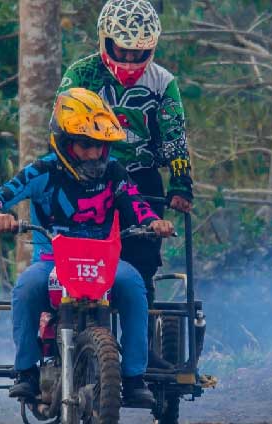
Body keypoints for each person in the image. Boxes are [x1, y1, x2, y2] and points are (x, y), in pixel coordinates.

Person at [0, 88, 174, 405]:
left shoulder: (115, 173)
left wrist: (154, 222)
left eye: (101, 145)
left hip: (103, 260)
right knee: (27, 286)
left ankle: (134, 377)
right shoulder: (42, 171)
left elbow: (137, 206)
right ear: (65, 142)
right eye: (86, 144)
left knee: (133, 284)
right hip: (52, 260)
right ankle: (26, 373)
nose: (94, 153)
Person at [56, 0, 193, 301]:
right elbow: (61, 128)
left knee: (142, 258)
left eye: (139, 52)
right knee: (78, 249)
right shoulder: (81, 75)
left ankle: (142, 335)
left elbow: (175, 135)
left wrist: (181, 184)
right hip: (89, 175)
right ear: (106, 40)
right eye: (123, 50)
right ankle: (58, 326)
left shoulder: (163, 81)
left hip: (142, 177)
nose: (130, 61)